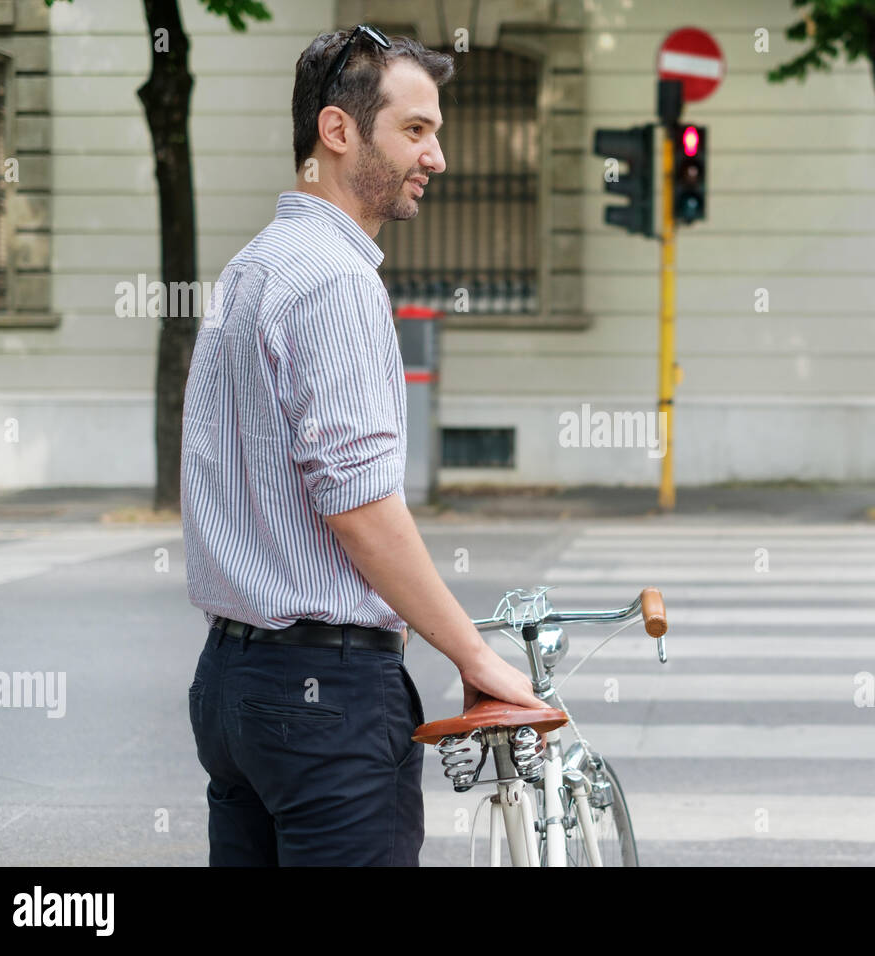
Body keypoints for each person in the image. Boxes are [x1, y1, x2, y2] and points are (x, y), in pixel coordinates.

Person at [180, 25, 544, 867]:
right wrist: (475, 655)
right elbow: (359, 505)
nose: (438, 156)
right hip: (324, 700)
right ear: (338, 131)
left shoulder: (253, 267)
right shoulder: (336, 280)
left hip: (232, 687)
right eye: (415, 130)